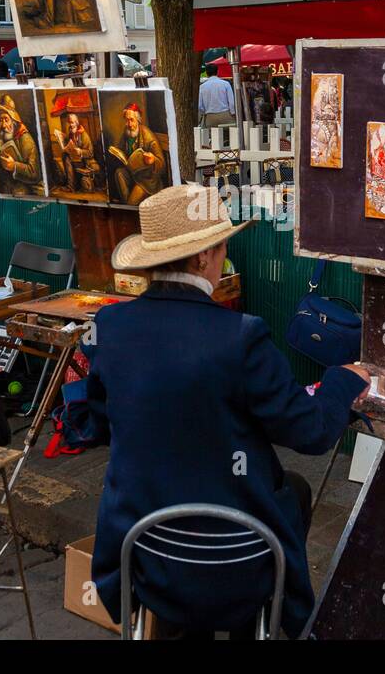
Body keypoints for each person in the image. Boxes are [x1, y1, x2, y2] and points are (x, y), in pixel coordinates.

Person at [85, 185, 369, 638]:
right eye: (222, 248)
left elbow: (96, 419)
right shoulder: (240, 335)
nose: (223, 258)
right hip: (235, 562)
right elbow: (311, 432)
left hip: (144, 552)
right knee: (288, 490)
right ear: (202, 258)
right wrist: (344, 378)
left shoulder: (111, 325)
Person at [107, 102, 167, 205]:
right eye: (127, 120)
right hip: (133, 173)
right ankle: (126, 205)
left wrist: (153, 160)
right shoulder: (127, 132)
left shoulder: (148, 137)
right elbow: (120, 150)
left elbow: (162, 165)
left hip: (146, 180)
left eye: (131, 120)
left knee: (131, 202)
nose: (129, 124)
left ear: (138, 120)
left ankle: (128, 205)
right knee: (119, 173)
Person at [0, 98, 42, 196]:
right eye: (1, 120)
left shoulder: (25, 138)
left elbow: (34, 173)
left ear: (14, 120)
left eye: (6, 119)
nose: (3, 125)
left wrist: (14, 166)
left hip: (25, 186)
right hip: (7, 184)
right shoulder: (1, 137)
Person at [56, 111, 102, 192]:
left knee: (67, 158)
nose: (71, 125)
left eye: (73, 123)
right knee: (65, 155)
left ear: (77, 123)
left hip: (85, 161)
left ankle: (71, 187)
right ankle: (72, 185)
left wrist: (80, 151)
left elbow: (90, 153)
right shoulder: (70, 133)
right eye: (69, 123)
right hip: (76, 159)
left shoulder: (83, 135)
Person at [198, 64, 235, 129]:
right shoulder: (225, 84)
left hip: (210, 117)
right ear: (217, 71)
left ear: (206, 73)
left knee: (212, 136)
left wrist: (204, 112)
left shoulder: (202, 87)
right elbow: (231, 102)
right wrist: (233, 113)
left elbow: (200, 106)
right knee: (230, 135)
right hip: (225, 115)